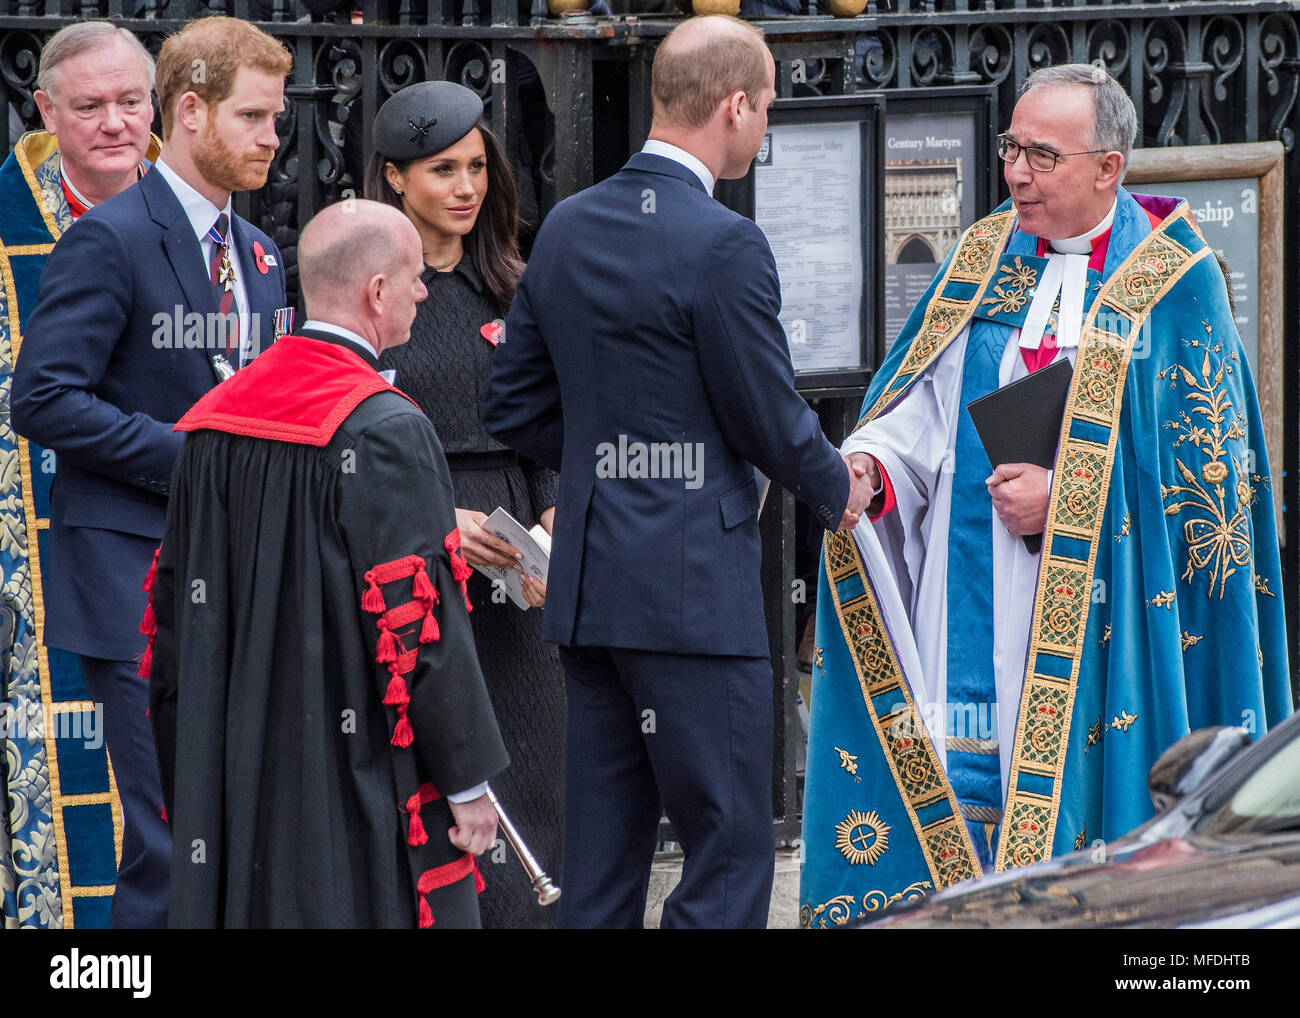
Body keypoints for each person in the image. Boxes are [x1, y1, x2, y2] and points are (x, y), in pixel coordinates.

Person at [799, 64, 1293, 927]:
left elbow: (1209, 498)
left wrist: (1070, 501)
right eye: (1010, 148)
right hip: (969, 599)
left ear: (1110, 167)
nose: (1016, 173)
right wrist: (875, 469)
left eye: (1041, 155)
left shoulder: (1176, 284)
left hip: (1105, 628)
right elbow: (924, 407)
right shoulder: (984, 255)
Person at [484, 15, 874, 929]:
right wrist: (837, 485)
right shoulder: (723, 242)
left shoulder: (569, 226)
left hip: (592, 591)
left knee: (602, 859)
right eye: (767, 106)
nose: (767, 127)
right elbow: (769, 416)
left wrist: (602, 468)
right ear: (734, 106)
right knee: (731, 849)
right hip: (694, 594)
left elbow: (514, 406)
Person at [145, 199, 510, 928]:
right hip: (353, 776)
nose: (424, 293)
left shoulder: (216, 418)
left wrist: (194, 767)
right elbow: (421, 633)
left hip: (236, 766)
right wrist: (469, 781)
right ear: (376, 291)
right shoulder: (388, 428)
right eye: (413, 279)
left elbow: (171, 622)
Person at [11, 16, 293, 929]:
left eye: (278, 120)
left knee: (225, 830)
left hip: (235, 576)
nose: (273, 138)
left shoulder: (256, 253)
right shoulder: (112, 237)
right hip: (132, 573)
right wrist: (195, 460)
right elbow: (43, 399)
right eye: (254, 118)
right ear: (196, 115)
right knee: (172, 838)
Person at [365, 81, 564, 929]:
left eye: (477, 166)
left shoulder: (516, 284)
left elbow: (555, 421)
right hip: (422, 535)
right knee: (440, 764)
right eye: (442, 167)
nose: (465, 185)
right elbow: (352, 438)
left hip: (517, 552)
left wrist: (552, 517)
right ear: (394, 178)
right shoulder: (374, 290)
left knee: (536, 751)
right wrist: (437, 520)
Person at [0, 20, 159, 930]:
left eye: (129, 103)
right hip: (28, 543)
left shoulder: (206, 221)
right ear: (45, 108)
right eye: (89, 106)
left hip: (156, 536)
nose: (113, 123)